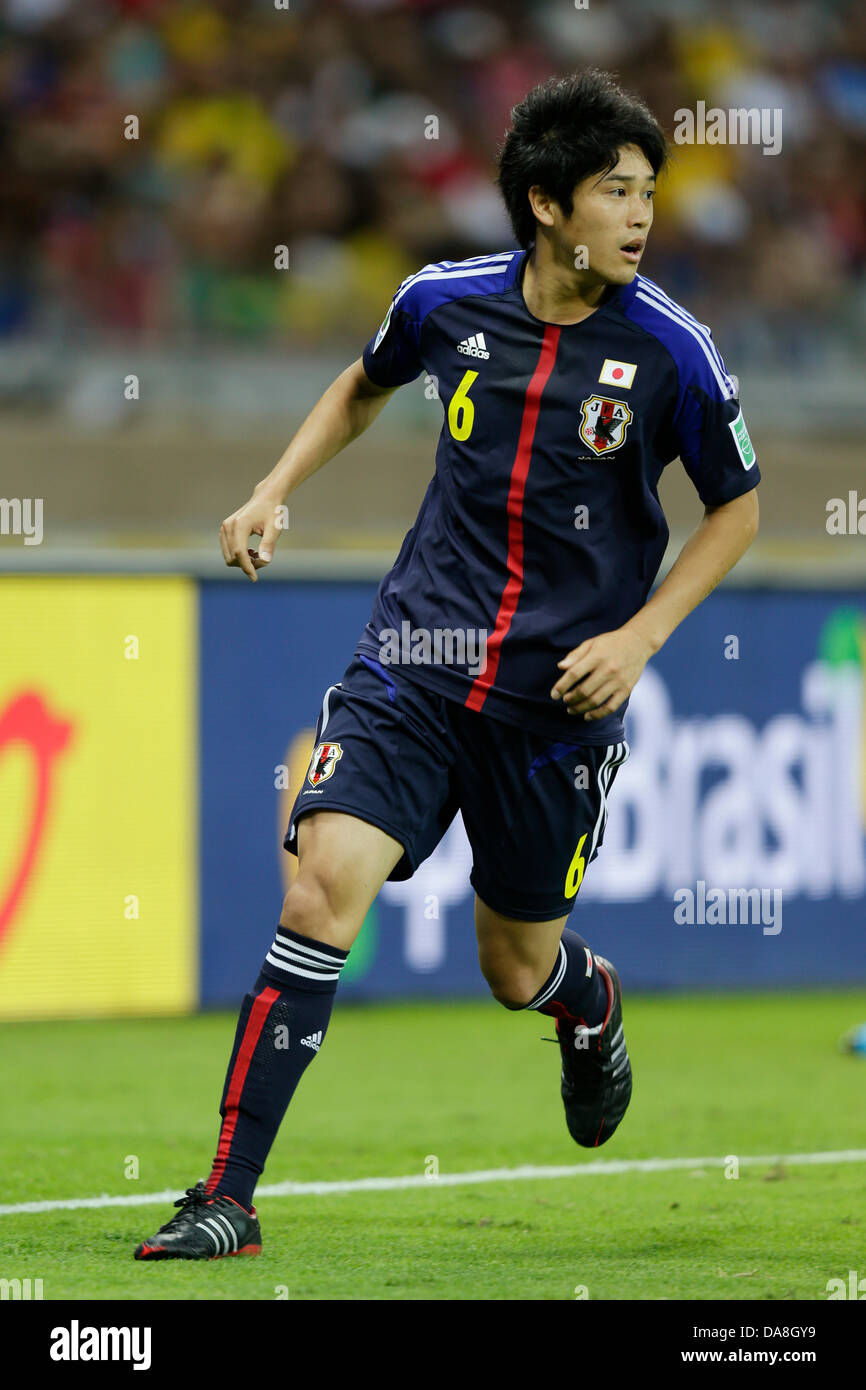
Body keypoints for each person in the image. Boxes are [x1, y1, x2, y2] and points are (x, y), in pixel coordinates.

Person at [134, 68, 760, 1261]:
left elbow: (734, 509)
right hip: (415, 663)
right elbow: (361, 386)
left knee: (511, 963)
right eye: (614, 192)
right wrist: (271, 491)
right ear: (544, 204)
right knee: (320, 887)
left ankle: (587, 1000)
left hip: (554, 709)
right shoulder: (443, 303)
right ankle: (226, 1197)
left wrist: (637, 640)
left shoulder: (673, 351)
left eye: (646, 193)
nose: (639, 216)